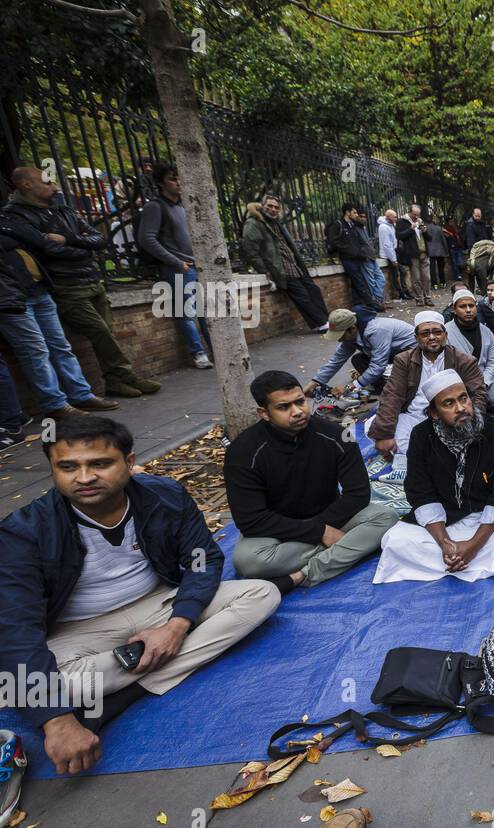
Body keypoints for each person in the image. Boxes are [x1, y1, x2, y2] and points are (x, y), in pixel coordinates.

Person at [0, 417, 280, 776]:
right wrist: (56, 720)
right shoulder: (23, 532)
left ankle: (122, 695)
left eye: (99, 464)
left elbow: (204, 559)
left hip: (158, 607)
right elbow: (15, 629)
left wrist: (176, 627)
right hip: (79, 630)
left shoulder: (164, 495)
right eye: (68, 467)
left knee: (261, 594)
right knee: (29, 683)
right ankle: (130, 678)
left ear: (129, 462)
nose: (84, 478)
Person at [225, 371, 398, 593]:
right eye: (284, 407)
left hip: (333, 518)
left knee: (386, 517)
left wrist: (323, 527)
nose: (297, 411)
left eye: (300, 401)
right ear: (264, 413)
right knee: (248, 561)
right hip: (279, 532)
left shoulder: (335, 434)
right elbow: (251, 520)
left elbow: (358, 493)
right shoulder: (243, 451)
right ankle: (347, 550)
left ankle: (302, 575)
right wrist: (319, 533)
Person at [3, 167, 160, 398]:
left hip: (91, 279)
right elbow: (46, 250)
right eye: (47, 183)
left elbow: (98, 240)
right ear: (27, 185)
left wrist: (70, 240)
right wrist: (82, 249)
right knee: (99, 331)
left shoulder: (63, 210)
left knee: (107, 333)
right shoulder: (17, 216)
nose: (55, 188)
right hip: (66, 286)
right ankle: (125, 374)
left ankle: (114, 382)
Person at [373, 370, 494, 583]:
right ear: (434, 413)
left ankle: (457, 560)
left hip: (488, 521)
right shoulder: (421, 436)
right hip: (443, 521)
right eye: (448, 404)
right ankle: (459, 558)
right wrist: (445, 543)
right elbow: (420, 492)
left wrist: (474, 545)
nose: (460, 408)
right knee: (393, 540)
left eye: (463, 398)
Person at [0, 217, 117, 418]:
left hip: (38, 289)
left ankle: (81, 394)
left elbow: (42, 242)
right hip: (11, 297)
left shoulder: (8, 220)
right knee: (35, 350)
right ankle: (54, 404)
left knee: (60, 345)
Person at [366, 311, 486, 458]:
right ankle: (423, 455)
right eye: (425, 334)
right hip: (414, 416)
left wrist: (469, 423)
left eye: (437, 332)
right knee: (374, 427)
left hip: (448, 417)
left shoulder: (464, 360)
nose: (432, 337)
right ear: (416, 338)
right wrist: (384, 434)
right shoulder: (404, 360)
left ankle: (423, 455)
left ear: (445, 335)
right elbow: (392, 395)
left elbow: (478, 394)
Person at [136, 162, 212, 369]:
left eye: (181, 177)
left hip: (196, 266)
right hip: (178, 268)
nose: (179, 182)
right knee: (186, 312)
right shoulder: (155, 206)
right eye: (173, 178)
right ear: (161, 182)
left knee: (205, 312)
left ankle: (216, 350)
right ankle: (198, 353)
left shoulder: (183, 206)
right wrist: (177, 262)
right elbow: (147, 239)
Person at [239, 195, 329, 332]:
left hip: (294, 264)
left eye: (276, 207)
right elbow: (251, 251)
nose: (273, 209)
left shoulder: (275, 223)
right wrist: (264, 270)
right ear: (262, 206)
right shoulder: (254, 223)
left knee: (314, 290)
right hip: (279, 268)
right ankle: (322, 324)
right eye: (269, 206)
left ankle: (324, 321)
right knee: (302, 295)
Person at [311, 308, 417, 401]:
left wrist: (350, 386)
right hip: (393, 352)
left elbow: (378, 366)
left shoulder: (376, 330)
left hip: (413, 354)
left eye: (341, 336)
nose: (339, 340)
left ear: (352, 328)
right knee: (358, 360)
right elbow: (336, 360)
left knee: (395, 371)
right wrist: (315, 382)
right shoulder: (351, 335)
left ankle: (401, 389)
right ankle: (382, 388)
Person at [444, 289, 494, 410]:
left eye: (471, 305)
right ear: (454, 310)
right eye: (463, 306)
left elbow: (492, 361)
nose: (468, 310)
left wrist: (484, 382)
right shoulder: (446, 333)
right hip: (457, 384)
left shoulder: (486, 332)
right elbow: (445, 366)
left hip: (483, 381)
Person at [326, 203, 383, 312]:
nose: (356, 214)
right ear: (347, 212)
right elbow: (334, 242)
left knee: (356, 284)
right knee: (360, 282)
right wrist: (350, 250)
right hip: (347, 259)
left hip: (356, 258)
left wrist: (360, 252)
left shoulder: (352, 225)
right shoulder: (338, 224)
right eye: (354, 212)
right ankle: (372, 304)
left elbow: (357, 241)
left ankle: (358, 307)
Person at [395, 205, 433, 306]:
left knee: (427, 278)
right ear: (409, 212)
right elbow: (399, 236)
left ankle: (428, 298)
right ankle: (419, 299)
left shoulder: (420, 221)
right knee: (416, 278)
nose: (416, 217)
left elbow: (429, 238)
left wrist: (425, 231)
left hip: (424, 253)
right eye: (414, 214)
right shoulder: (401, 221)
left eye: (418, 214)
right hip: (412, 255)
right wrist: (411, 229)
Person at [377, 209, 406, 301]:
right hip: (388, 255)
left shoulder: (391, 225)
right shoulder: (384, 227)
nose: (396, 218)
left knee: (402, 271)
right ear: (388, 217)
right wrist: (393, 259)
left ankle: (404, 291)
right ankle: (400, 293)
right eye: (394, 217)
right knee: (395, 275)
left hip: (394, 252)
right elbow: (387, 244)